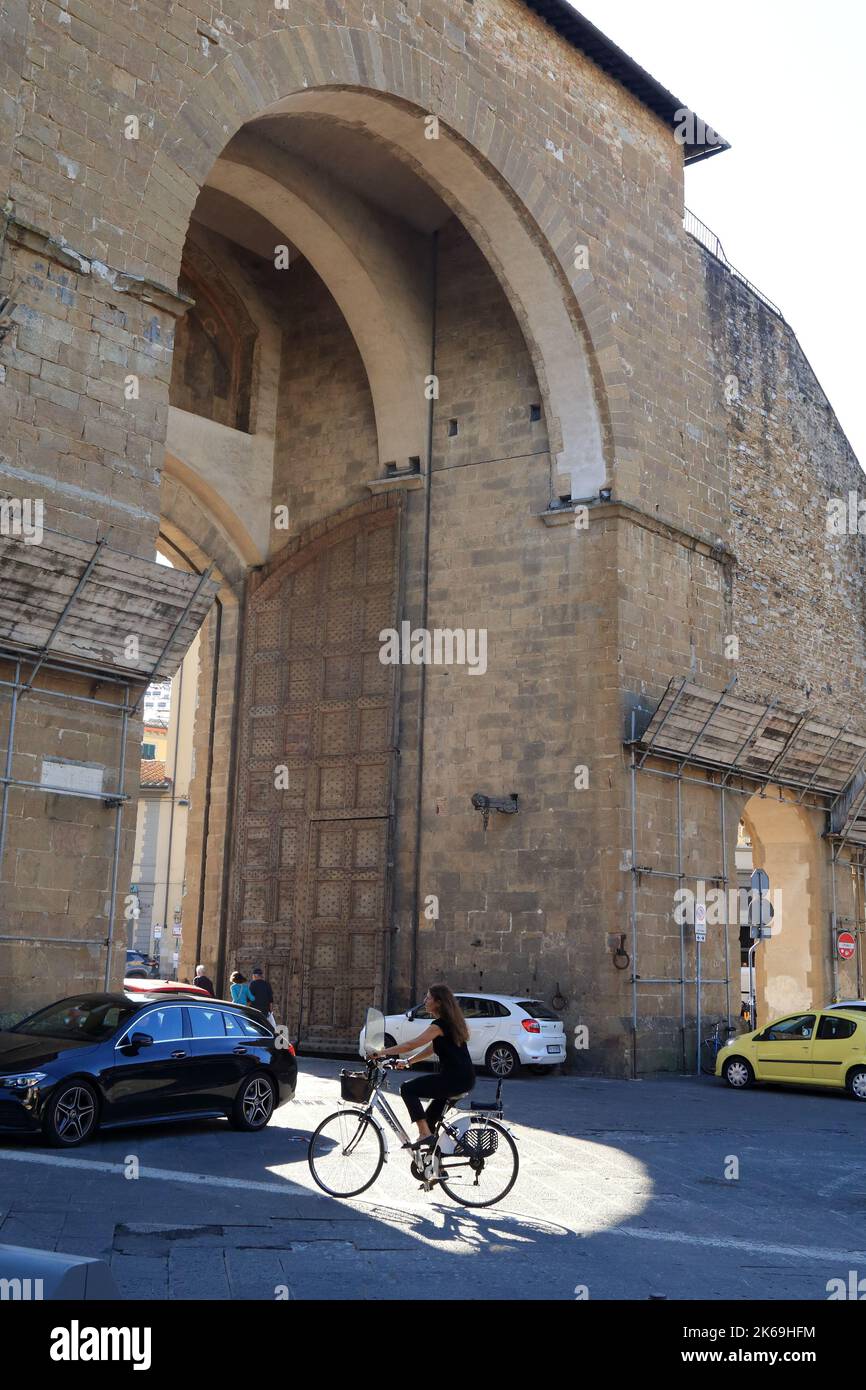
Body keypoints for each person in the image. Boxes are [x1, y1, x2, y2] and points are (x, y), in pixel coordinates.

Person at [375, 983, 475, 1149]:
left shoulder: (439, 1025)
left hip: (454, 1079)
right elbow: (432, 1048)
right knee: (428, 1121)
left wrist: (382, 1052)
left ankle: (424, 1134)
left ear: (438, 1002)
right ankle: (434, 1163)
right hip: (463, 1078)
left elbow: (411, 1044)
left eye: (428, 997)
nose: (424, 1000)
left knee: (408, 1089)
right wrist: (408, 1062)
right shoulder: (451, 1023)